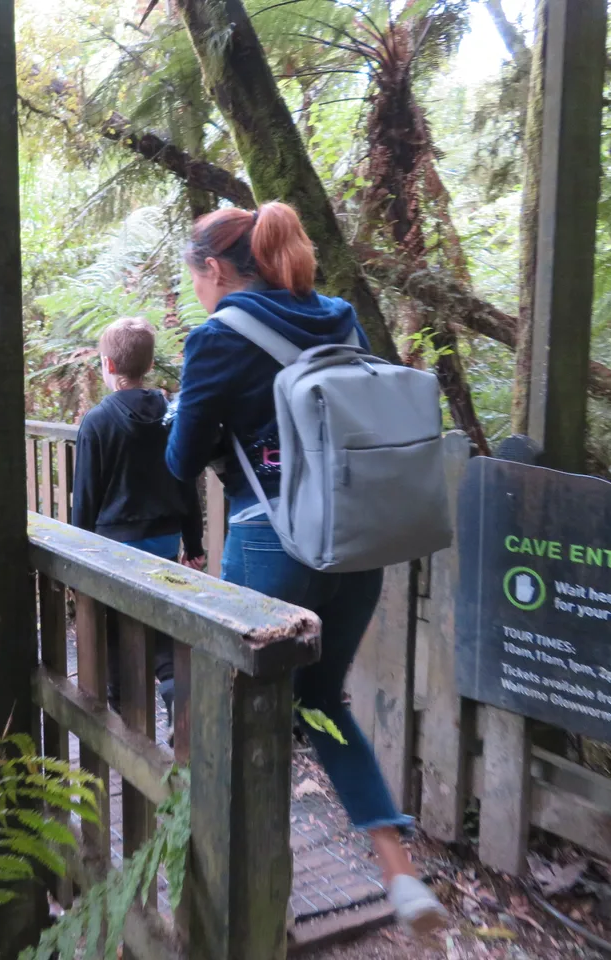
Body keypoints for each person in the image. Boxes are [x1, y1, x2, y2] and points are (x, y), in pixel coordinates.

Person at [166, 201, 447, 937]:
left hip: (272, 543)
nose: (197, 292)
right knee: (323, 701)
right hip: (358, 543)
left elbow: (181, 459)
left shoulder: (217, 337)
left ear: (215, 270)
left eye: (195, 278)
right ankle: (399, 872)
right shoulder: (339, 318)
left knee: (243, 712)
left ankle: (254, 895)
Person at [71, 317, 203, 726]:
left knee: (113, 632)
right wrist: (194, 544)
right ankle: (177, 702)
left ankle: (125, 719)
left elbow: (86, 495)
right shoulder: (171, 415)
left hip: (113, 546)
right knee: (161, 631)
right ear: (148, 365)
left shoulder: (98, 421)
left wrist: (77, 555)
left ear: (108, 365)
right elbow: (186, 482)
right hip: (163, 541)